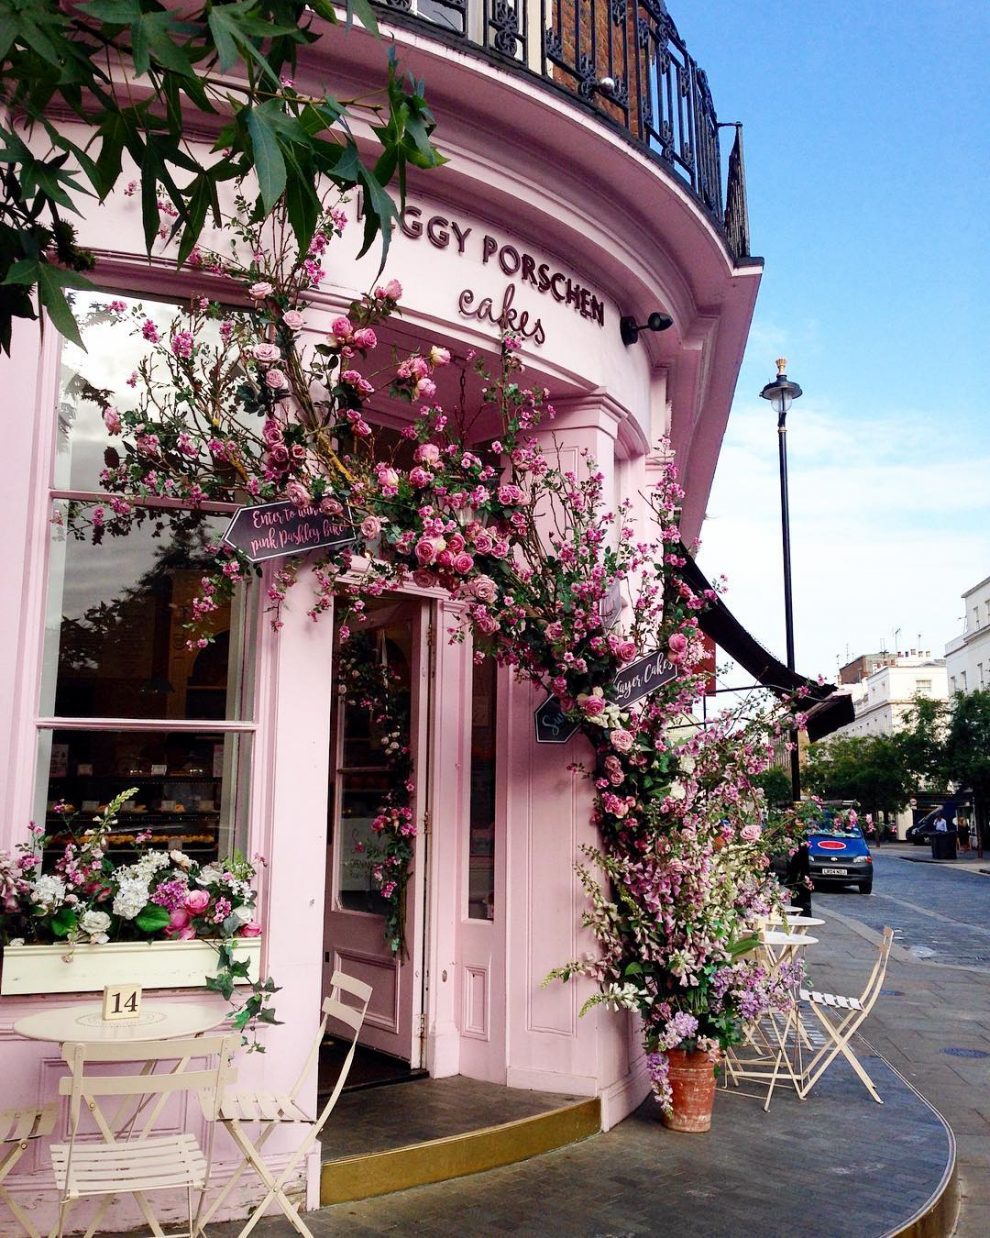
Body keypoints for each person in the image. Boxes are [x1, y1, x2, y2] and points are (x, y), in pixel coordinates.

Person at [784, 840, 812, 916]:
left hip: (801, 868)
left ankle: (801, 910)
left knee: (801, 889)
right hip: (799, 869)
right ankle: (800, 910)